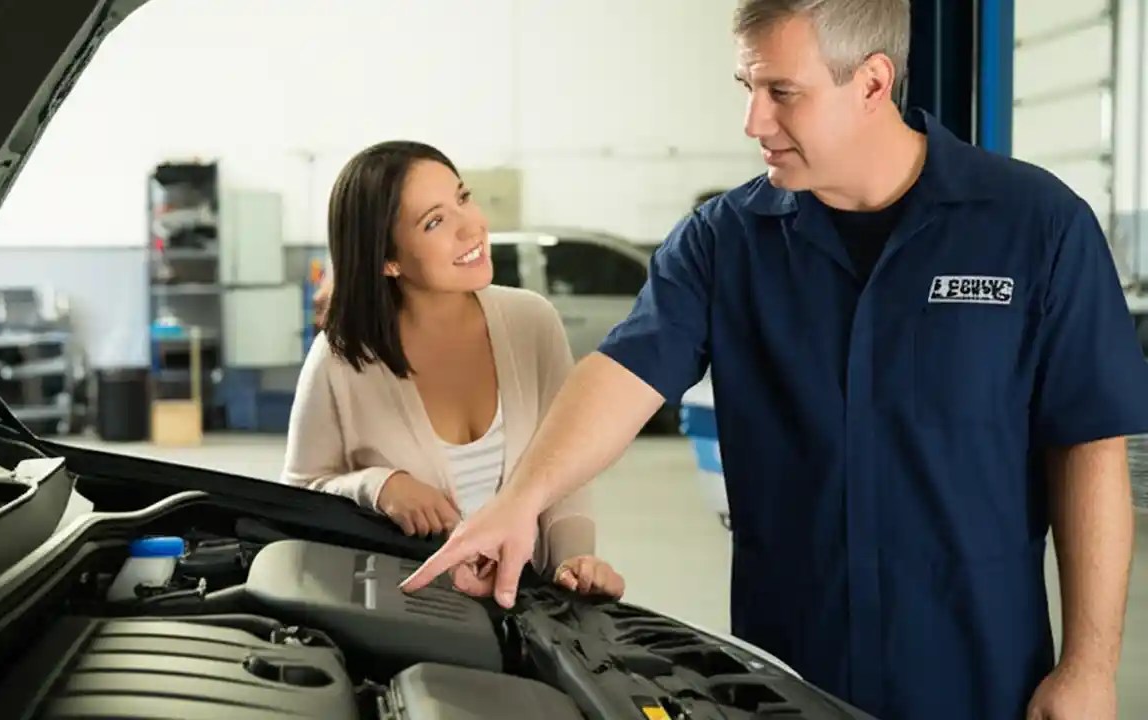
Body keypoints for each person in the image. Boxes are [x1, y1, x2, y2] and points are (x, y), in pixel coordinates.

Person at [400, 2, 1148, 719]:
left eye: (781, 92)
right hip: (782, 676)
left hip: (976, 678)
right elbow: (623, 374)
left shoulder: (1035, 229)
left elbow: (1087, 449)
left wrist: (1087, 668)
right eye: (747, 87)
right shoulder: (725, 241)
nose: (753, 121)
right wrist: (519, 502)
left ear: (873, 83)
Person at [283, 140, 625, 600]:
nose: (472, 227)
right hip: (405, 620)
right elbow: (299, 496)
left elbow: (565, 472)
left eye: (463, 198)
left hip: (529, 610)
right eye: (435, 221)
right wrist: (378, 485)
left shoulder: (531, 322)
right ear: (388, 260)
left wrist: (572, 563)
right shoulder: (341, 358)